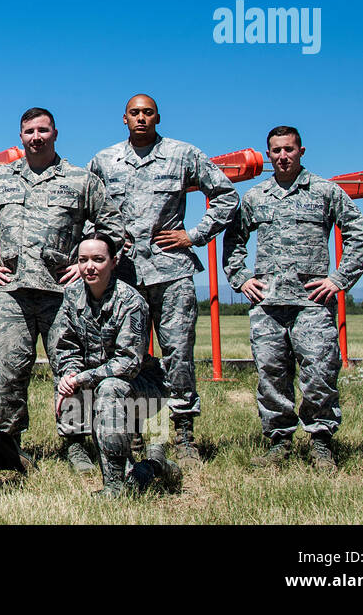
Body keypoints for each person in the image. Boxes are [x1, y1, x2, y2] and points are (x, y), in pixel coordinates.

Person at [0, 107, 125, 473]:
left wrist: (84, 263)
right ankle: (8, 443)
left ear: (55, 133)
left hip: (64, 296)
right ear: (20, 136)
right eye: (28, 131)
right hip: (12, 294)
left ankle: (76, 443)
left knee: (70, 369)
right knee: (10, 368)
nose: (35, 137)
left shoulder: (80, 180)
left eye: (42, 130)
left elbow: (114, 229)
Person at [87, 94, 239, 468]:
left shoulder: (183, 155)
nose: (141, 118)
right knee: (127, 355)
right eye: (134, 113)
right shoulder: (104, 161)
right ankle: (135, 432)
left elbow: (227, 196)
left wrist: (195, 235)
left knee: (178, 353)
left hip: (171, 272)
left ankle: (183, 434)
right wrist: (100, 251)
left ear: (157, 117)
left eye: (147, 112)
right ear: (124, 119)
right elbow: (88, 211)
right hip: (121, 276)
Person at [222, 126, 363, 471]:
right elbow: (234, 240)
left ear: (301, 151)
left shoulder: (325, 191)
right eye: (275, 151)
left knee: (319, 372)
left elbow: (360, 233)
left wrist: (339, 279)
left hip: (312, 303)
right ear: (268, 154)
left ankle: (321, 442)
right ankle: (279, 443)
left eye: (288, 149)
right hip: (268, 305)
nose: (282, 156)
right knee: (271, 375)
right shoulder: (255, 197)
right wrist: (241, 278)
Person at [51, 234, 181, 498]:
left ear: (113, 262)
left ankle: (115, 486)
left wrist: (80, 379)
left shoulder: (131, 302)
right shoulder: (71, 296)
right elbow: (65, 346)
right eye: (83, 260)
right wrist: (69, 376)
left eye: (98, 259)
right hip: (101, 385)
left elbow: (128, 363)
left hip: (144, 387)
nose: (90, 267)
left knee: (109, 388)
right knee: (80, 383)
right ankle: (154, 465)